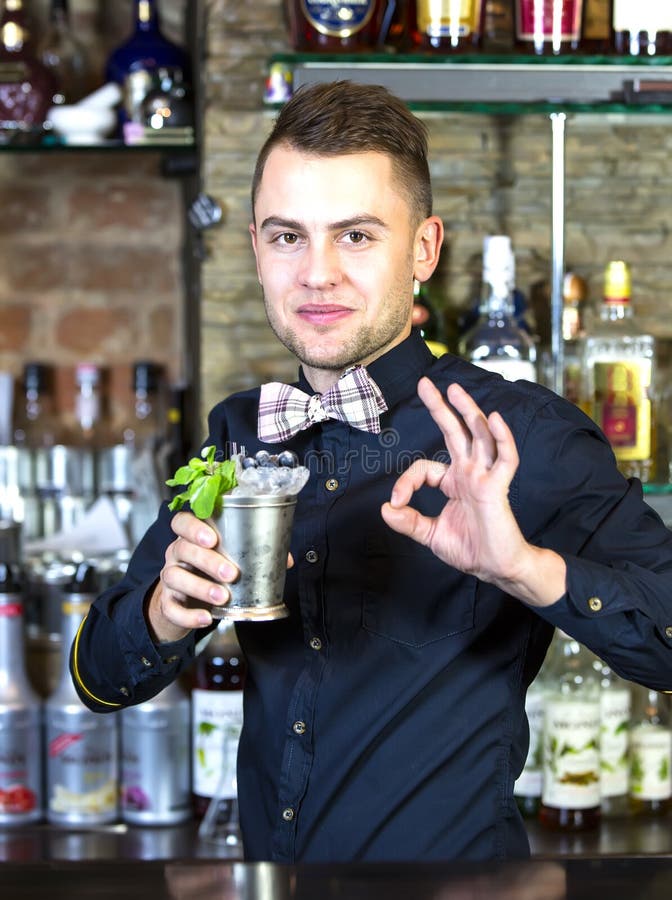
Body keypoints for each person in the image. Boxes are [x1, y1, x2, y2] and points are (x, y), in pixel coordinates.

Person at [71, 80, 672, 862]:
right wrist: (162, 611)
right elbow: (101, 680)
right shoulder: (237, 432)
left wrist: (528, 571)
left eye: (355, 236)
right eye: (288, 237)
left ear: (423, 249)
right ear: (255, 246)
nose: (316, 273)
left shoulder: (520, 435)